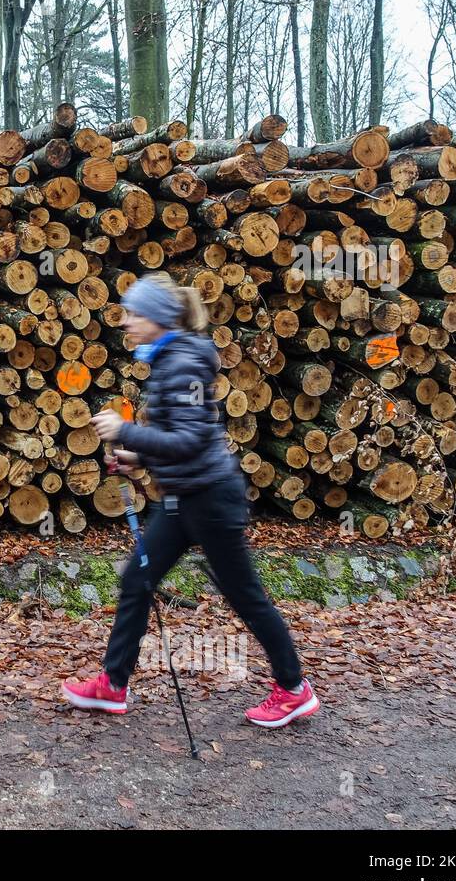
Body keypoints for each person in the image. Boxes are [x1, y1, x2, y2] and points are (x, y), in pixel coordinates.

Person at [61, 271, 319, 728]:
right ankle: (112, 686)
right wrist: (135, 457)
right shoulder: (168, 359)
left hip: (209, 500)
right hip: (182, 498)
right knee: (136, 581)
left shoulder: (182, 362)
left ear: (158, 318)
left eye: (134, 314)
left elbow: (190, 440)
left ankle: (294, 689)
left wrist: (126, 432)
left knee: (244, 595)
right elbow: (175, 441)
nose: (126, 322)